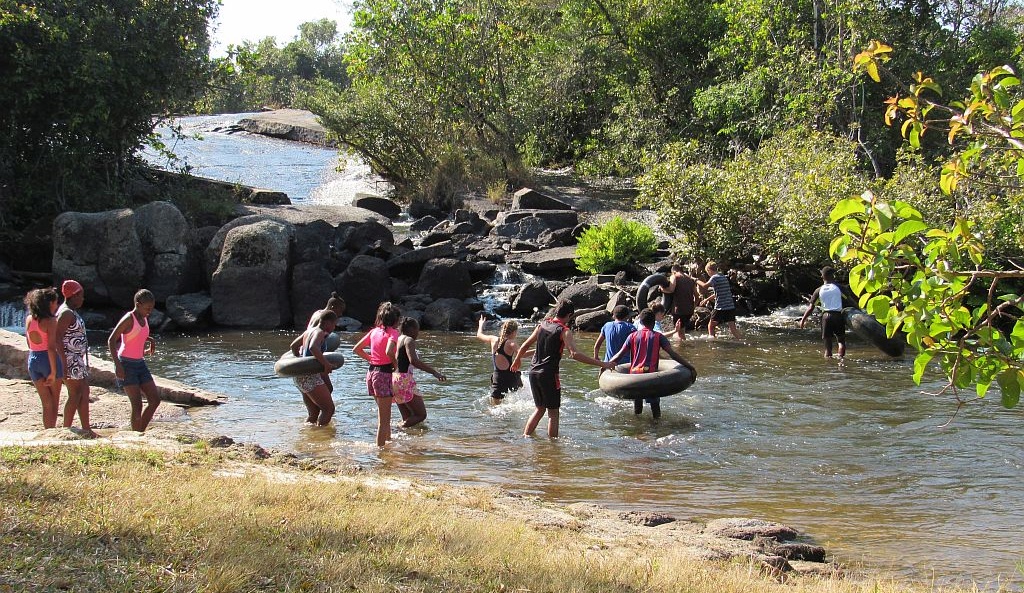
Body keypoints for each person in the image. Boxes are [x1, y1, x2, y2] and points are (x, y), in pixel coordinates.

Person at [511, 300, 614, 438]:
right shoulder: (564, 331)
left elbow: (524, 345)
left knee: (540, 409)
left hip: (533, 372)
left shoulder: (541, 325)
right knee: (553, 413)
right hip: (549, 375)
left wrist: (517, 360)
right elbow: (575, 354)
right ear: (570, 315)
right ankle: (553, 448)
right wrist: (602, 364)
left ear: (556, 310)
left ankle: (525, 437)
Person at [609, 308, 699, 418]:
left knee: (637, 404)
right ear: (653, 322)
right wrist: (690, 367)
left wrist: (604, 367)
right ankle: (656, 426)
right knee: (655, 406)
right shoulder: (658, 337)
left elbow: (619, 355)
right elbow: (673, 354)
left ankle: (638, 426)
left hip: (634, 377)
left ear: (641, 322)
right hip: (650, 376)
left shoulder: (632, 336)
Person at [108, 289, 161, 432]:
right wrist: (118, 365)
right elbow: (111, 340)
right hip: (126, 364)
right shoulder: (129, 318)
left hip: (140, 363)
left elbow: (138, 333)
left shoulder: (143, 317)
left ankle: (139, 432)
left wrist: (151, 340)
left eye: (151, 308)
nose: (149, 311)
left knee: (155, 400)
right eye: (147, 308)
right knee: (137, 405)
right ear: (138, 304)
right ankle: (136, 435)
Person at [353, 301, 402, 447]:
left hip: (371, 373)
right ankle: (381, 453)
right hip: (384, 374)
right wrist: (396, 367)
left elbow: (356, 349)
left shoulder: (373, 332)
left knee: (385, 415)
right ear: (395, 320)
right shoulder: (393, 333)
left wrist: (372, 359)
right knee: (384, 420)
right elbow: (388, 351)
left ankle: (389, 443)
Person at [389, 317, 446, 428]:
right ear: (412, 329)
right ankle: (396, 429)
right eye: (417, 330)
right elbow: (413, 361)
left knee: (408, 417)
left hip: (394, 378)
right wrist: (434, 372)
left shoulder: (399, 338)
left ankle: (405, 440)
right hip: (404, 379)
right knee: (421, 415)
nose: (418, 333)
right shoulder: (409, 340)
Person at [56, 280, 94, 436]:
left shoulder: (70, 311)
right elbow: (57, 338)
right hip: (70, 359)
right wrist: (63, 364)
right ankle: (66, 430)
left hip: (77, 359)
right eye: (81, 296)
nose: (83, 299)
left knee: (84, 392)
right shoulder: (66, 313)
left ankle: (86, 429)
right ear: (74, 295)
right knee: (75, 394)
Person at [289, 310, 339, 426]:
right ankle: (321, 438)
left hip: (300, 376)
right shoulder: (320, 332)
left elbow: (294, 346)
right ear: (327, 323)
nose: (334, 327)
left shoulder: (308, 331)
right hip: (310, 376)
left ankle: (309, 436)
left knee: (314, 413)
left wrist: (300, 361)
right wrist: (326, 364)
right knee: (329, 409)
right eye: (334, 324)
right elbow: (313, 347)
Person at [23, 287, 63, 429]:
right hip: (48, 360)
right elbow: (51, 348)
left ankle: (47, 431)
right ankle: (51, 433)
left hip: (33, 359)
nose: (57, 305)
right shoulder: (51, 321)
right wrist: (52, 372)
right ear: (49, 303)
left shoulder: (29, 319)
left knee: (46, 403)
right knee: (54, 400)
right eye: (56, 302)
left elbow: (29, 342)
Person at [799, 266, 848, 359]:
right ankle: (841, 363)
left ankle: (828, 366)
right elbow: (849, 301)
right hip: (838, 316)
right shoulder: (839, 288)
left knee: (827, 347)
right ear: (833, 276)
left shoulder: (818, 290)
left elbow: (811, 307)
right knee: (841, 342)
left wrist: (803, 320)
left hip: (826, 317)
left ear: (822, 277)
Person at [476, 314, 524, 402]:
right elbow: (523, 354)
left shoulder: (493, 339)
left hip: (497, 378)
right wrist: (538, 350)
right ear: (514, 332)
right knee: (516, 401)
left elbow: (479, 335)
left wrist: (481, 325)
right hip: (511, 378)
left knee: (495, 408)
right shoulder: (511, 343)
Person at [306, 293, 346, 394]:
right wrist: (326, 364)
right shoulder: (321, 324)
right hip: (313, 359)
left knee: (326, 390)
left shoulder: (317, 313)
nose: (340, 314)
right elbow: (313, 346)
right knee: (329, 389)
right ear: (332, 307)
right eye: (340, 310)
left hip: (308, 356)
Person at [696, 261, 743, 339]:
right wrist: (706, 299)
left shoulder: (714, 277)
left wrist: (695, 280)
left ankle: (712, 342)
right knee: (733, 329)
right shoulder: (723, 276)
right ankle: (743, 341)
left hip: (720, 307)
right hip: (730, 306)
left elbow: (704, 286)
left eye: (707, 272)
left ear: (709, 270)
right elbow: (718, 293)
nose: (708, 274)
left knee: (710, 326)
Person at [665, 264, 699, 341]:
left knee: (680, 333)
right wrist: (693, 307)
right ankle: (682, 348)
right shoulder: (690, 279)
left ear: (674, 271)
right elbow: (697, 296)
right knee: (681, 331)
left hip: (679, 310)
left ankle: (682, 349)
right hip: (689, 311)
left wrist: (661, 289)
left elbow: (671, 289)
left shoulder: (674, 276)